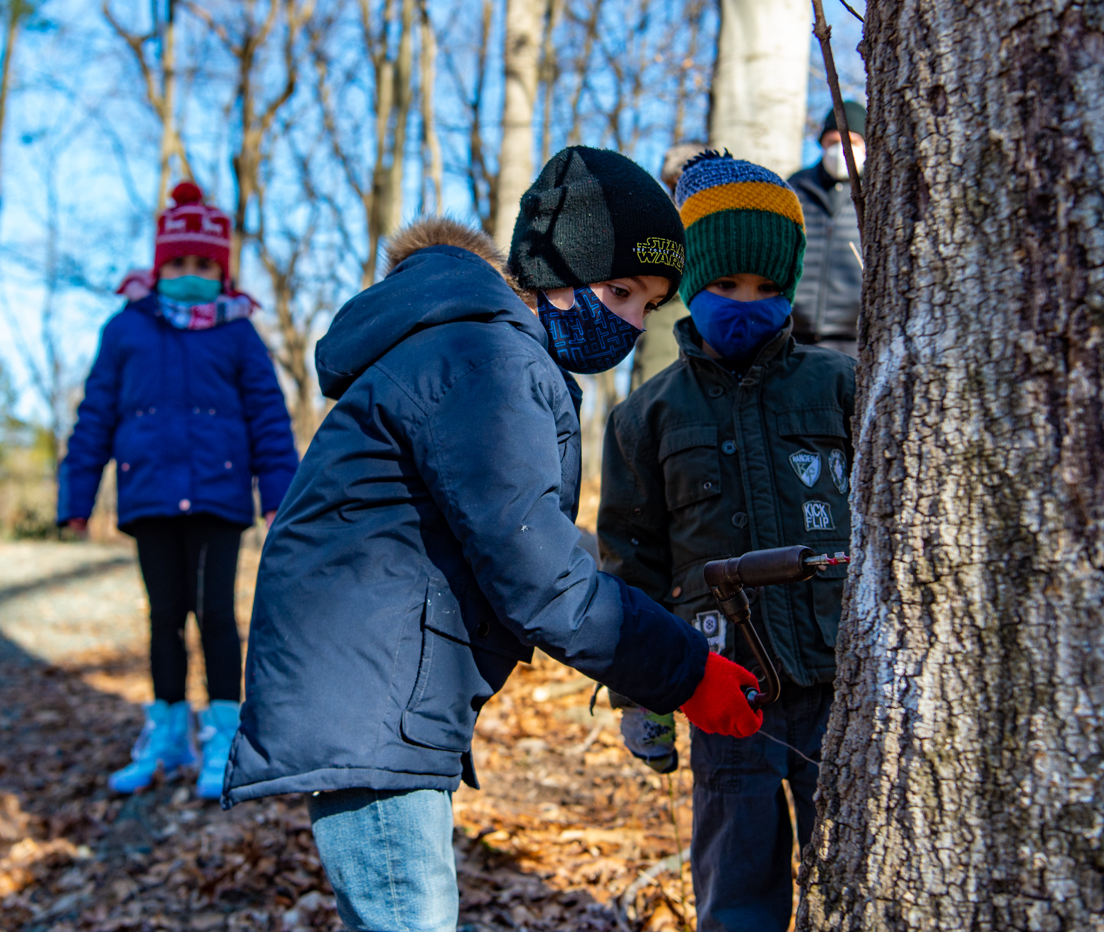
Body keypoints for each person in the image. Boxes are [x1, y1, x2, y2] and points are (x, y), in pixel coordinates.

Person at [223, 147, 763, 932]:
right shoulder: (486, 359)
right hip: (369, 696)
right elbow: (537, 577)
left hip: (378, 687)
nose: (631, 323)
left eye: (647, 306)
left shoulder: (482, 347)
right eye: (618, 292)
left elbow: (532, 539)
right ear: (554, 269)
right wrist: (684, 673)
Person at [598, 151, 856, 932]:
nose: (749, 305)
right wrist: (640, 691)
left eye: (769, 289)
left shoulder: (840, 383)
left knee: (853, 865)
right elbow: (630, 562)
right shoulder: (647, 415)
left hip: (840, 681)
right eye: (727, 286)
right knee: (737, 885)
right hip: (725, 690)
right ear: (691, 283)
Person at [58, 181, 299, 799]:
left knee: (216, 614)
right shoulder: (127, 330)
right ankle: (166, 734)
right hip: (149, 496)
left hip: (220, 497)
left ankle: (223, 735)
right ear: (160, 264)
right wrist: (76, 499)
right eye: (179, 263)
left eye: (203, 265)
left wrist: (281, 495)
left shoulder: (239, 333)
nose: (190, 275)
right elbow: (96, 416)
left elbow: (269, 420)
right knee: (164, 614)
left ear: (219, 271)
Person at [788, 100, 865, 358]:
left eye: (852, 142)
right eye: (833, 142)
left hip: (856, 340)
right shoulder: (794, 188)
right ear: (822, 143)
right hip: (794, 337)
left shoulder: (878, 192)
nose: (841, 150)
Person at [630, 140, 708, 390]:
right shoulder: (657, 221)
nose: (677, 193)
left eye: (682, 183)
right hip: (659, 331)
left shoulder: (714, 225)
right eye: (672, 186)